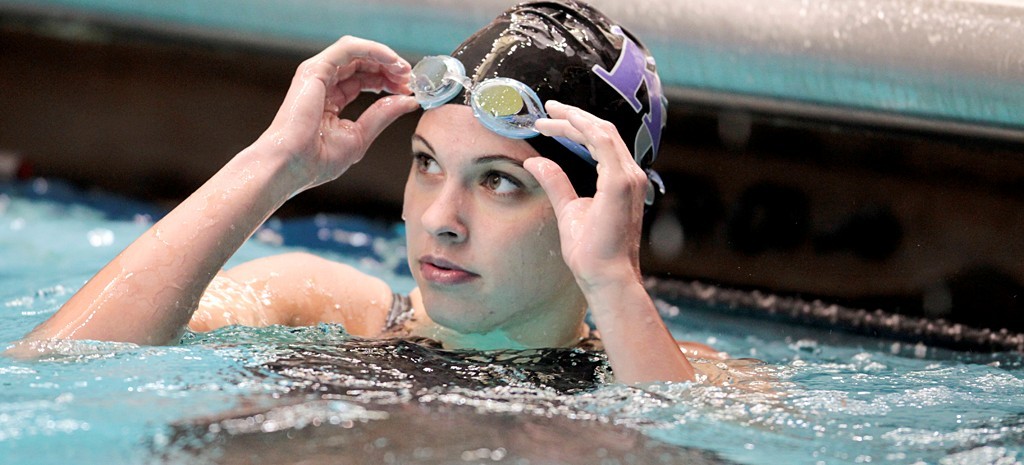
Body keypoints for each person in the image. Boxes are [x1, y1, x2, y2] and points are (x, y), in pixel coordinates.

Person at [8, 0, 723, 384]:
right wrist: (273, 167)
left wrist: (614, 285)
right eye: (426, 163)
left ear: (601, 205)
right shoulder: (321, 307)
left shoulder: (692, 377)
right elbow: (57, 365)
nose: (440, 220)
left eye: (499, 182)